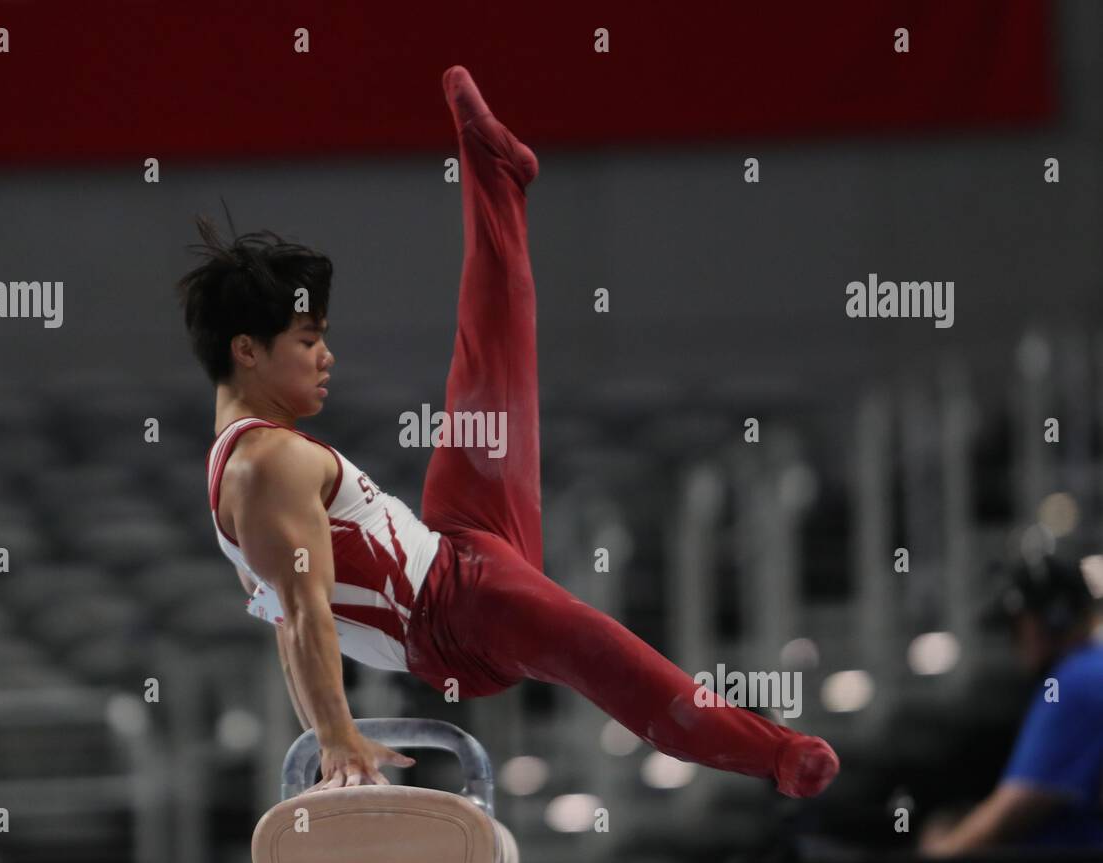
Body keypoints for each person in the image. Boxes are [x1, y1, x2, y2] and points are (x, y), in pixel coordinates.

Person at [178, 65, 840, 799]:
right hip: (460, 617)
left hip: (460, 540)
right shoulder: (266, 466)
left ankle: (496, 174)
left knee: (489, 358)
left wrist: (326, 730)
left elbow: (290, 621)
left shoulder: (236, 474)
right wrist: (335, 736)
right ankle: (779, 755)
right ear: (247, 350)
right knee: (605, 656)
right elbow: (302, 618)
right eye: (307, 341)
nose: (327, 356)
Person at [921, 554, 1103, 857]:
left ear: (1053, 618)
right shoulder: (1091, 671)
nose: (1012, 640)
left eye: (1016, 625)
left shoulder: (1075, 682)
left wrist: (939, 853)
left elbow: (1010, 814)